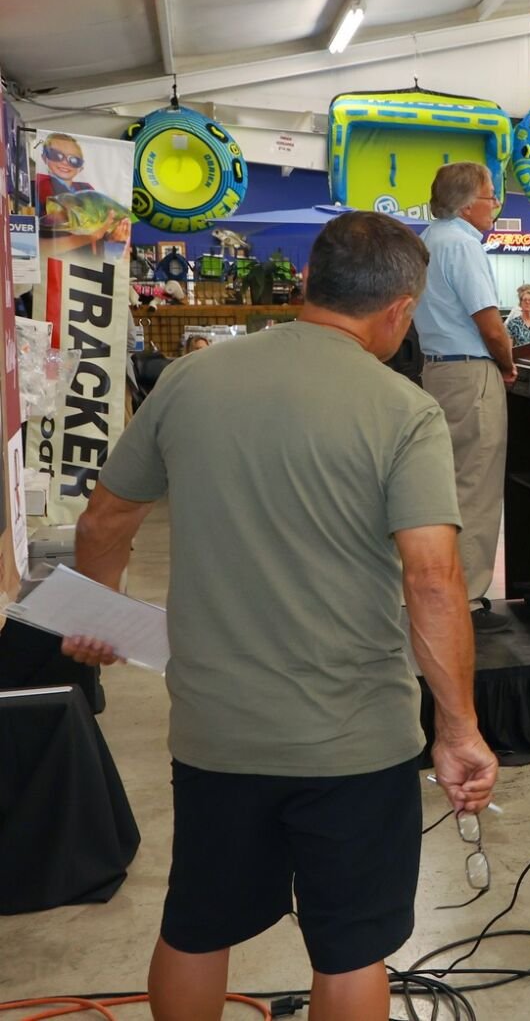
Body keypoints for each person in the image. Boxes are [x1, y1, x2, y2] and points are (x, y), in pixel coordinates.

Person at [62, 211, 498, 1018]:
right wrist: (459, 726)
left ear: (307, 283)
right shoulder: (403, 411)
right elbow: (432, 577)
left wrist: (100, 617)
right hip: (354, 737)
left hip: (216, 729)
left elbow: (102, 523)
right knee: (349, 948)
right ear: (400, 309)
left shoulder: (190, 379)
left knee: (196, 927)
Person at [411, 162, 517, 633]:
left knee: (446, 489)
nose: (495, 204)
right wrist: (509, 363)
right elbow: (489, 323)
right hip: (471, 373)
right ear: (467, 201)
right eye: (491, 195)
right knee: (475, 489)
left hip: (436, 372)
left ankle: (438, 590)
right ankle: (469, 601)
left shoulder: (429, 241)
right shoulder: (464, 245)